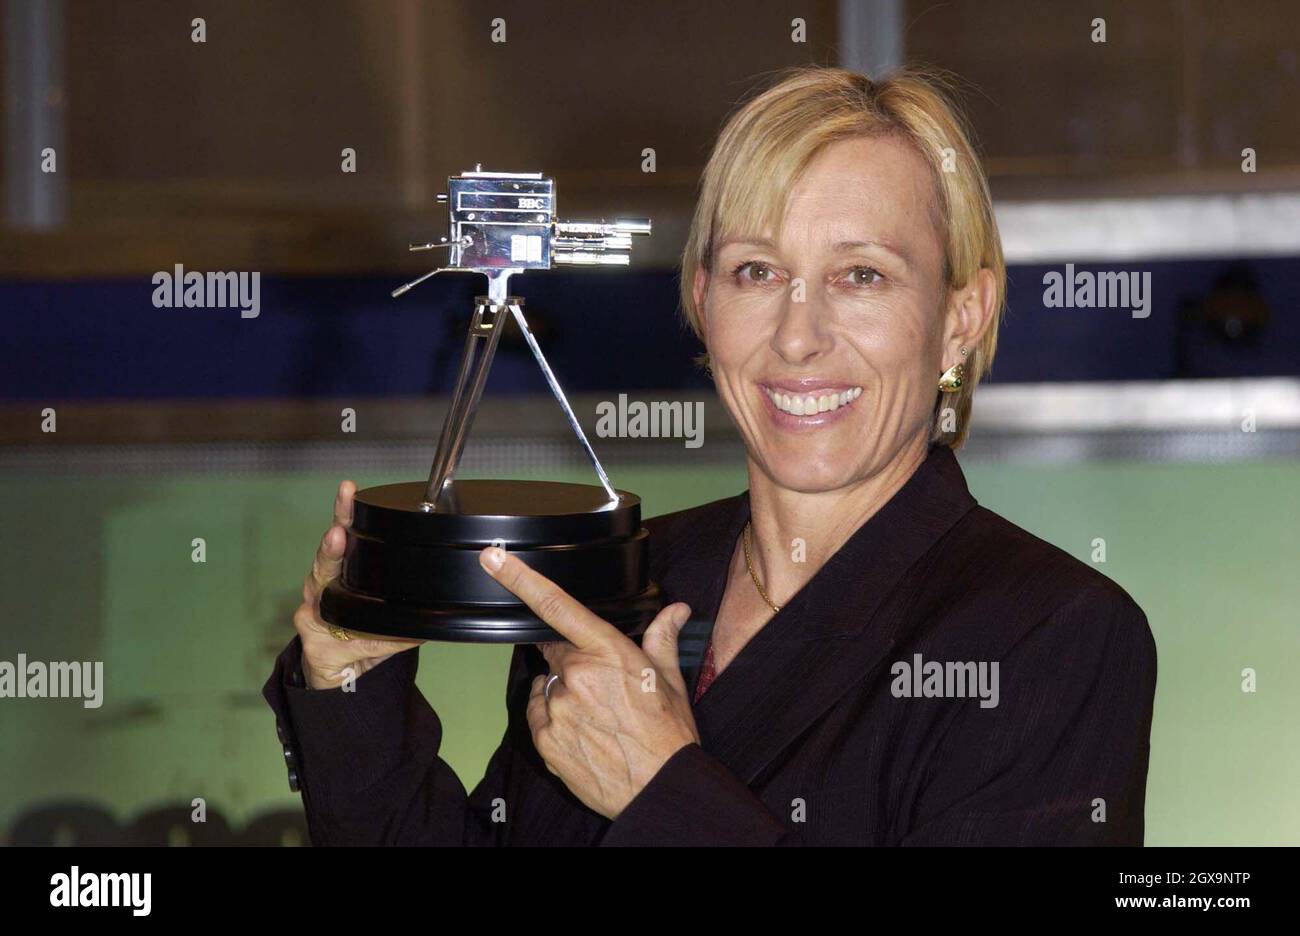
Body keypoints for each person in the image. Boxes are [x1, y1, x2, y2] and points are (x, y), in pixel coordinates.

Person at [263, 65, 1156, 846]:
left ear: (961, 319)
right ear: (702, 300)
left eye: (862, 276)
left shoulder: (1050, 637)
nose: (797, 338)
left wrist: (662, 792)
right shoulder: (622, 582)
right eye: (755, 272)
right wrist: (349, 681)